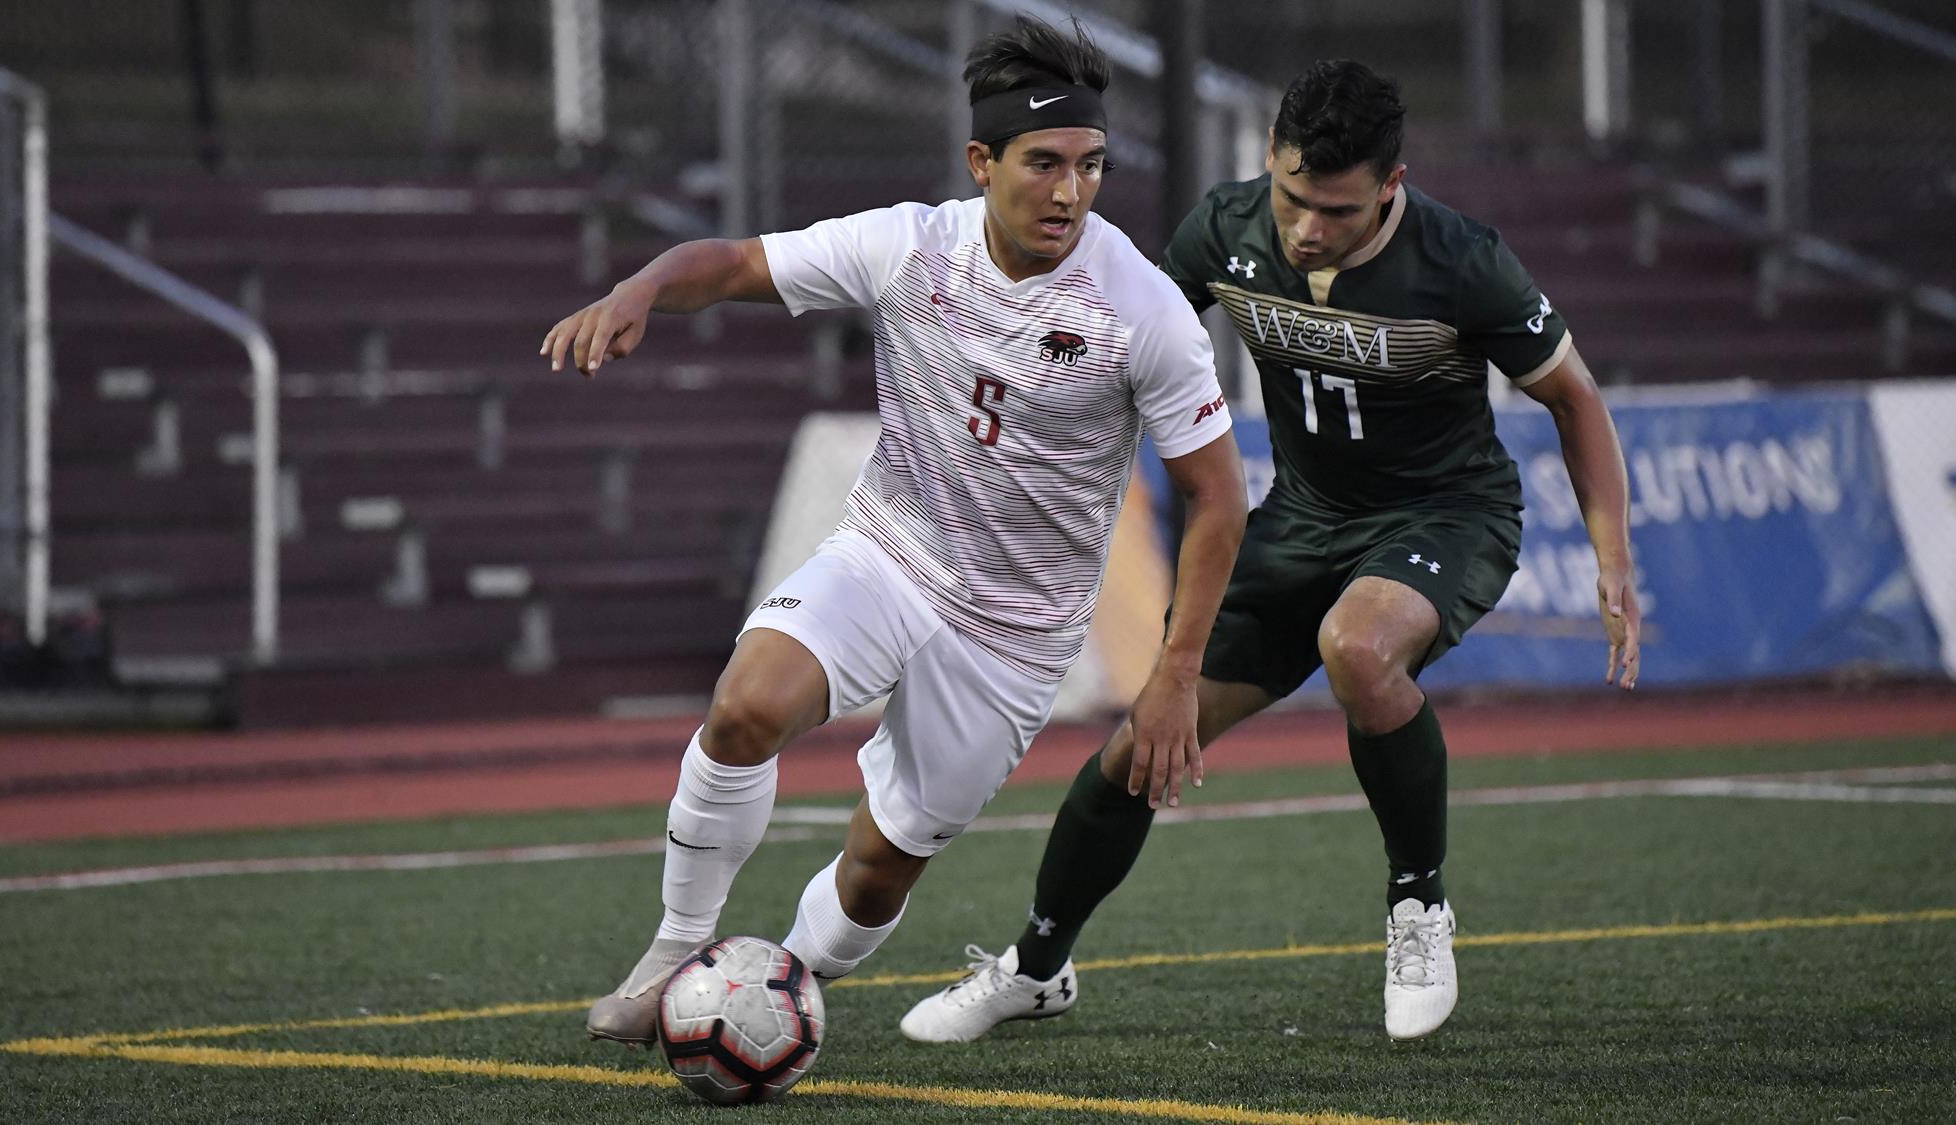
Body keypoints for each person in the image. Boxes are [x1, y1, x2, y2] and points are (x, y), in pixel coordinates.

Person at [899, 59, 1642, 1045]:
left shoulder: (1463, 261)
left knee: (1358, 649)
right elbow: (1123, 340)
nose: (1305, 229)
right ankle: (1035, 971)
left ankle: (1418, 905)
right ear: (1269, 159)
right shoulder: (1225, 228)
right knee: (1140, 745)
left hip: (1442, 515)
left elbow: (1573, 397)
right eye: (1292, 198)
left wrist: (1611, 554)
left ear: (1391, 184)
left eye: (1335, 211)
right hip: (1299, 520)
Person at [538, 14, 1246, 1049]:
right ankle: (673, 953)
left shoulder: (1141, 309)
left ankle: (776, 985)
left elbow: (1218, 496)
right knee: (745, 706)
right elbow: (731, 262)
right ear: (981, 162)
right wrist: (639, 288)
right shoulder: (909, 245)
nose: (1070, 190)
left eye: (1090, 164)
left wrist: (1176, 671)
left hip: (1015, 631)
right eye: (1044, 163)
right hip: (889, 552)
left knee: (878, 867)